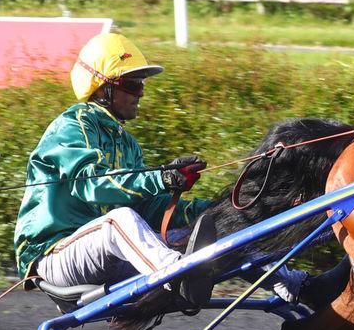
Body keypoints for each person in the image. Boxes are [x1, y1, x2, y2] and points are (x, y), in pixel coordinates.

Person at [14, 31, 218, 308]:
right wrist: (160, 177)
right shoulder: (73, 126)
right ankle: (178, 275)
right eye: (131, 84)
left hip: (108, 254)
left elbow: (146, 208)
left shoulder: (128, 144)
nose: (142, 92)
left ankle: (289, 282)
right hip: (53, 257)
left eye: (141, 83)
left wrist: (213, 208)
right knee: (117, 220)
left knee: (213, 226)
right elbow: (92, 185)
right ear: (102, 89)